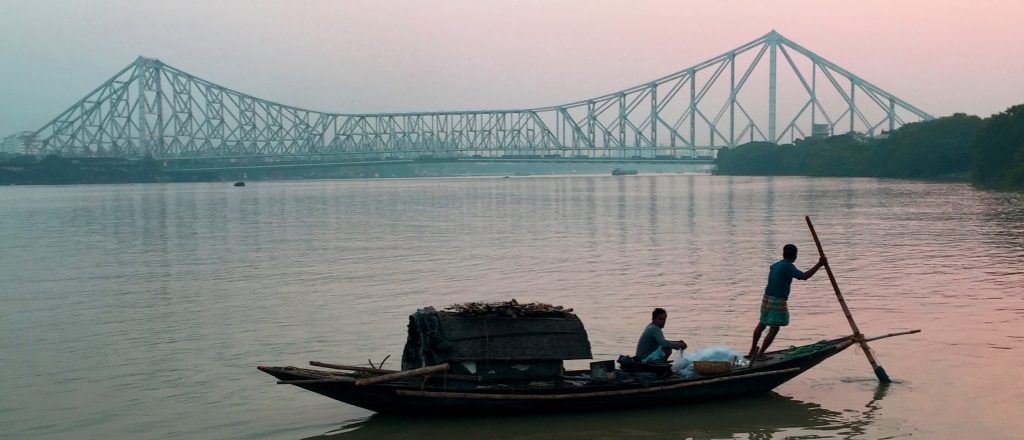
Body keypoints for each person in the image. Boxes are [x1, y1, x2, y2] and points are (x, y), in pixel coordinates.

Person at [748, 244, 826, 361]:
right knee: (774, 328)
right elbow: (804, 276)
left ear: (783, 254)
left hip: (767, 297)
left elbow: (774, 270)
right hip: (777, 299)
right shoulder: (788, 266)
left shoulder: (776, 265)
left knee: (762, 323)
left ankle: (752, 351)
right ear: (795, 256)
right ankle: (760, 354)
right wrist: (819, 265)